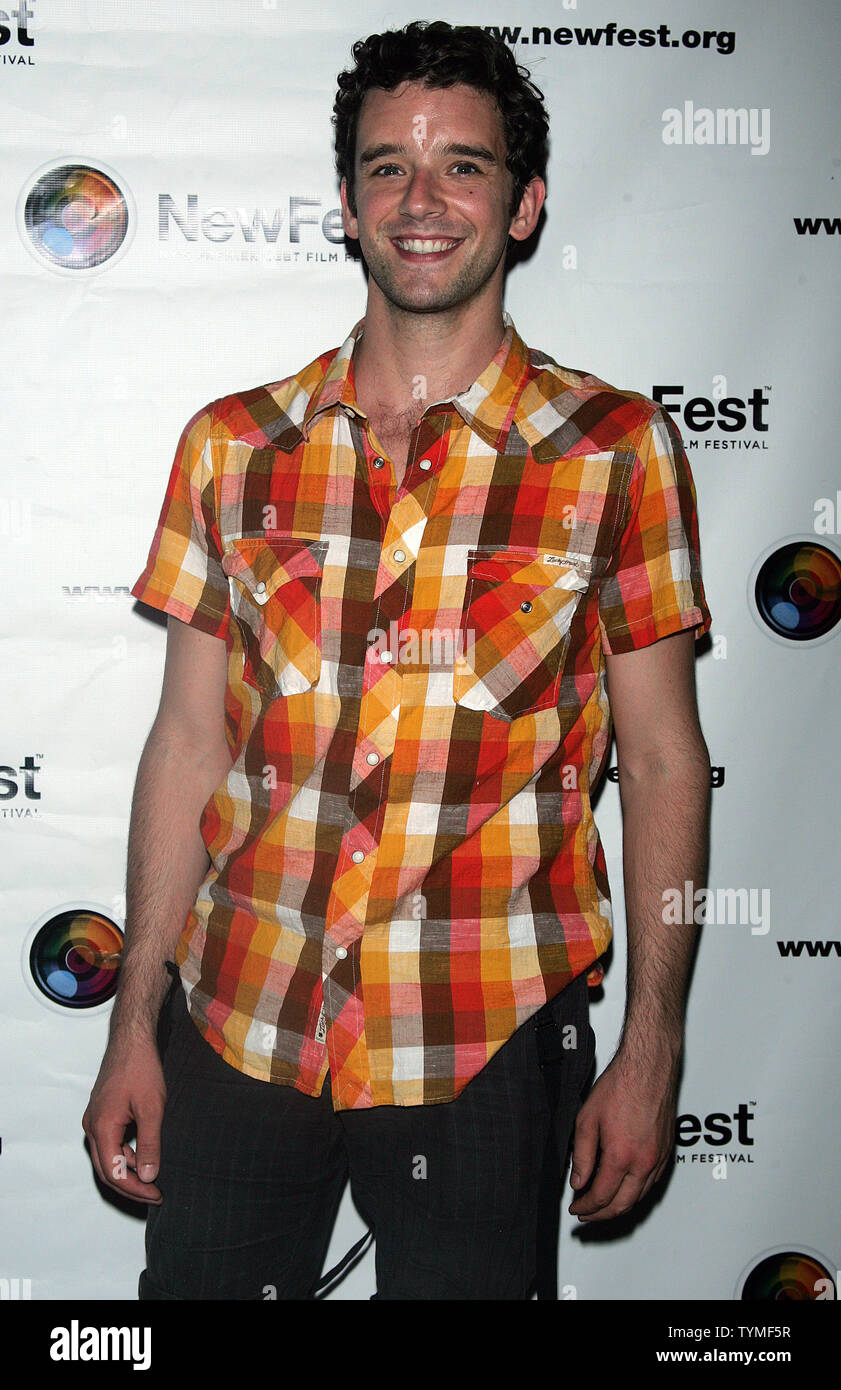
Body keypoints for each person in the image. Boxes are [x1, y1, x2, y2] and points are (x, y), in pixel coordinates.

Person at [83, 20, 712, 1301]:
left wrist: (652, 1050)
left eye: (463, 166)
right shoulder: (233, 447)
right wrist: (129, 1025)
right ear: (347, 204)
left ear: (525, 203)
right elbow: (187, 744)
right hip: (240, 1021)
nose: (421, 201)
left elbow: (659, 763)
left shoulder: (615, 452)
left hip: (483, 1039)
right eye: (387, 168)